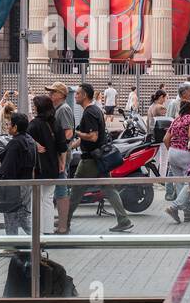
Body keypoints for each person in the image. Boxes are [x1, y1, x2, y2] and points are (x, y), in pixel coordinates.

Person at [59, 82, 133, 233]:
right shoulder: (95, 110)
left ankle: (64, 223)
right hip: (98, 159)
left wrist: (75, 132)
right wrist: (70, 146)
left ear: (85, 95)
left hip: (90, 161)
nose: (76, 96)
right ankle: (124, 219)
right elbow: (87, 137)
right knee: (109, 189)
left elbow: (92, 137)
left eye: (78, 94)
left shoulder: (89, 112)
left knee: (75, 192)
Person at [0, 111, 37, 249]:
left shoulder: (15, 143)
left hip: (14, 185)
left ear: (15, 127)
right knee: (23, 215)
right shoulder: (30, 140)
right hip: (26, 183)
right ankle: (37, 241)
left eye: (9, 124)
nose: (8, 126)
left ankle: (13, 246)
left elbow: (7, 167)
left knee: (11, 216)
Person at [165, 100, 190, 224]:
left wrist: (172, 150)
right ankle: (174, 206)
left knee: (180, 184)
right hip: (186, 154)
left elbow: (166, 138)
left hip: (172, 153)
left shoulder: (176, 120)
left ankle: (187, 214)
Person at [29, 95, 63, 233]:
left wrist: (35, 144)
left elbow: (25, 140)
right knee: (48, 199)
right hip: (53, 166)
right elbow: (62, 147)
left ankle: (37, 231)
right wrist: (62, 162)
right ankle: (48, 231)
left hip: (37, 168)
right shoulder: (55, 123)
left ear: (38, 108)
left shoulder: (34, 124)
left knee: (35, 199)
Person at [47, 80, 75, 234]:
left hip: (61, 155)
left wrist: (59, 152)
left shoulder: (63, 109)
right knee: (61, 189)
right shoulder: (58, 109)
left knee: (61, 190)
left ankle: (63, 225)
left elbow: (68, 132)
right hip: (60, 154)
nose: (50, 94)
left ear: (61, 95)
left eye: (53, 92)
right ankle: (63, 220)